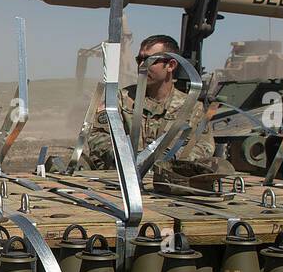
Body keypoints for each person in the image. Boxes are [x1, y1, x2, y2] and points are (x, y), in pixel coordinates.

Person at [87, 34, 223, 177]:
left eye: (149, 60)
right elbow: (98, 136)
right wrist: (124, 157)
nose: (141, 66)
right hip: (122, 180)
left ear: (170, 65)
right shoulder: (121, 100)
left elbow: (204, 146)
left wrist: (170, 161)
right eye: (139, 59)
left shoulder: (191, 108)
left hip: (168, 181)